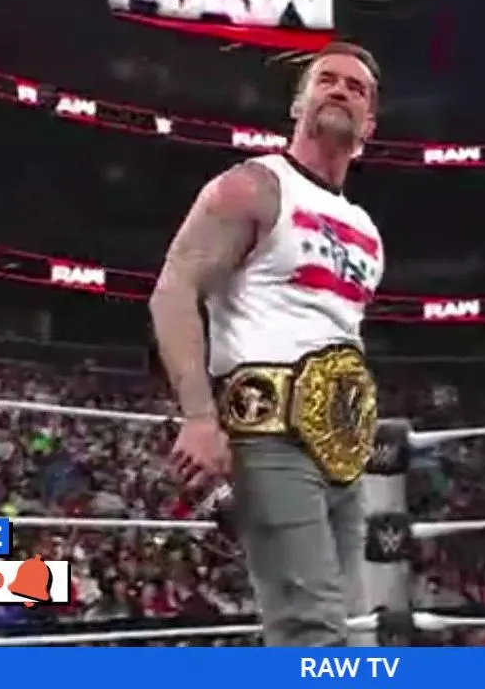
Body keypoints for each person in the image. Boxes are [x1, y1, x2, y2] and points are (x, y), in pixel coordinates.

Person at [149, 42, 384, 647]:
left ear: (370, 124)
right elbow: (174, 290)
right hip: (269, 434)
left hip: (344, 449)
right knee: (312, 628)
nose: (341, 90)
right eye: (327, 80)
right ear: (299, 104)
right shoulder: (254, 186)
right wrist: (199, 417)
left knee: (354, 627)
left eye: (356, 88)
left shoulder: (366, 230)